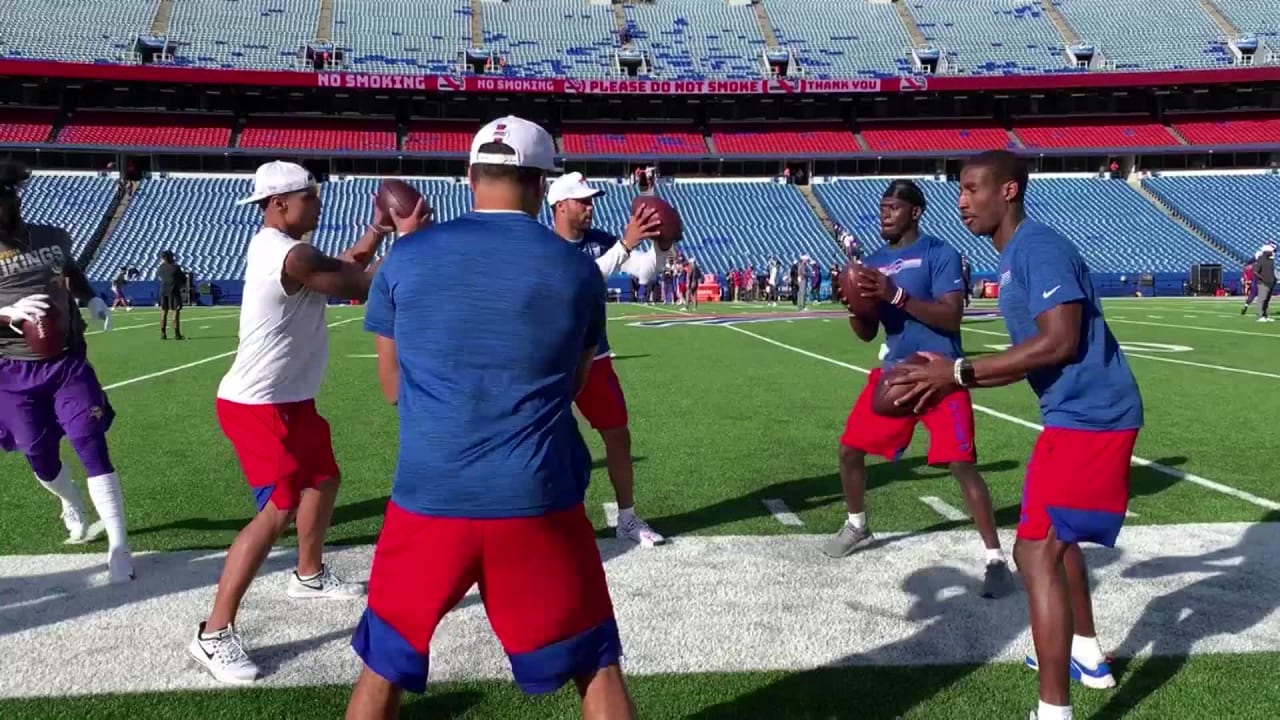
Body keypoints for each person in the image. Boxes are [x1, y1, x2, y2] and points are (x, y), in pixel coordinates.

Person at [347, 116, 635, 720]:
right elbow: (576, 381)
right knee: (595, 666)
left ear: (469, 177)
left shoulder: (406, 258)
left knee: (381, 669)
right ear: (539, 184)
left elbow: (393, 387)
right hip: (537, 494)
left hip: (429, 493)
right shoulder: (577, 270)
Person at [891, 150, 1144, 720]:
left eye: (972, 189)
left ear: (1008, 191)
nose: (961, 202)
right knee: (1055, 536)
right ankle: (1086, 654)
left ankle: (1053, 711)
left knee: (1035, 553)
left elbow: (1060, 342)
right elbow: (1034, 360)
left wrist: (957, 373)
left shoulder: (1038, 247)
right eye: (958, 191)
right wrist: (956, 381)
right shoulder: (1014, 257)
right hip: (1070, 415)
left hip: (1092, 418)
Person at [189, 161, 427, 684]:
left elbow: (343, 263)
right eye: (310, 198)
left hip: (290, 399)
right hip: (258, 404)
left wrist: (377, 233)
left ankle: (309, 573)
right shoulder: (290, 254)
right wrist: (411, 244)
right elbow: (357, 281)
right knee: (278, 506)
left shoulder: (284, 249)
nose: (318, 206)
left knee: (323, 478)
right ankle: (214, 631)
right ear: (280, 204)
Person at [824, 179, 1013, 600]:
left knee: (962, 463)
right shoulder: (872, 261)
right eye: (882, 208)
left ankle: (995, 557)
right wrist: (853, 306)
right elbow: (867, 331)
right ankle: (857, 524)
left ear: (915, 212)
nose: (884, 214)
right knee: (849, 449)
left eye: (893, 207)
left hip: (940, 372)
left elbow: (950, 317)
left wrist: (896, 295)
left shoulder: (939, 254)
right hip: (895, 373)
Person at [0, 159, 130, 579]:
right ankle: (70, 500)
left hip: (67, 361)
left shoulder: (53, 237)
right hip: (11, 368)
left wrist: (90, 298)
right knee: (39, 456)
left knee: (89, 441)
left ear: (10, 199)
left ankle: (118, 545)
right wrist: (6, 314)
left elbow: (71, 272)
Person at [548, 172, 669, 546]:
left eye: (591, 200)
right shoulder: (542, 244)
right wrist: (625, 244)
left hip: (594, 355)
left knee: (617, 434)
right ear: (559, 205)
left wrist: (664, 246)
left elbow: (647, 273)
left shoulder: (598, 240)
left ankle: (628, 519)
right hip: (548, 360)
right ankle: (537, 521)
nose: (590, 207)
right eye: (582, 201)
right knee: (541, 440)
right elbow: (577, 279)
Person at [157, 250, 186, 340]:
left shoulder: (161, 267)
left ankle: (163, 333)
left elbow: (160, 277)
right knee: (175, 312)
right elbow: (183, 280)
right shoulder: (176, 267)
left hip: (163, 291)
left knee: (163, 312)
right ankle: (177, 334)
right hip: (174, 292)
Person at [1254, 244, 1275, 322]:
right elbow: (1255, 271)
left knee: (1267, 300)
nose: (1272, 253)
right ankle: (1260, 316)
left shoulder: (1271, 260)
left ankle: (1265, 315)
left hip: (1271, 282)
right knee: (1262, 299)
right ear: (1266, 252)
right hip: (1263, 283)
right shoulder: (1261, 259)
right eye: (1271, 251)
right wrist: (1262, 278)